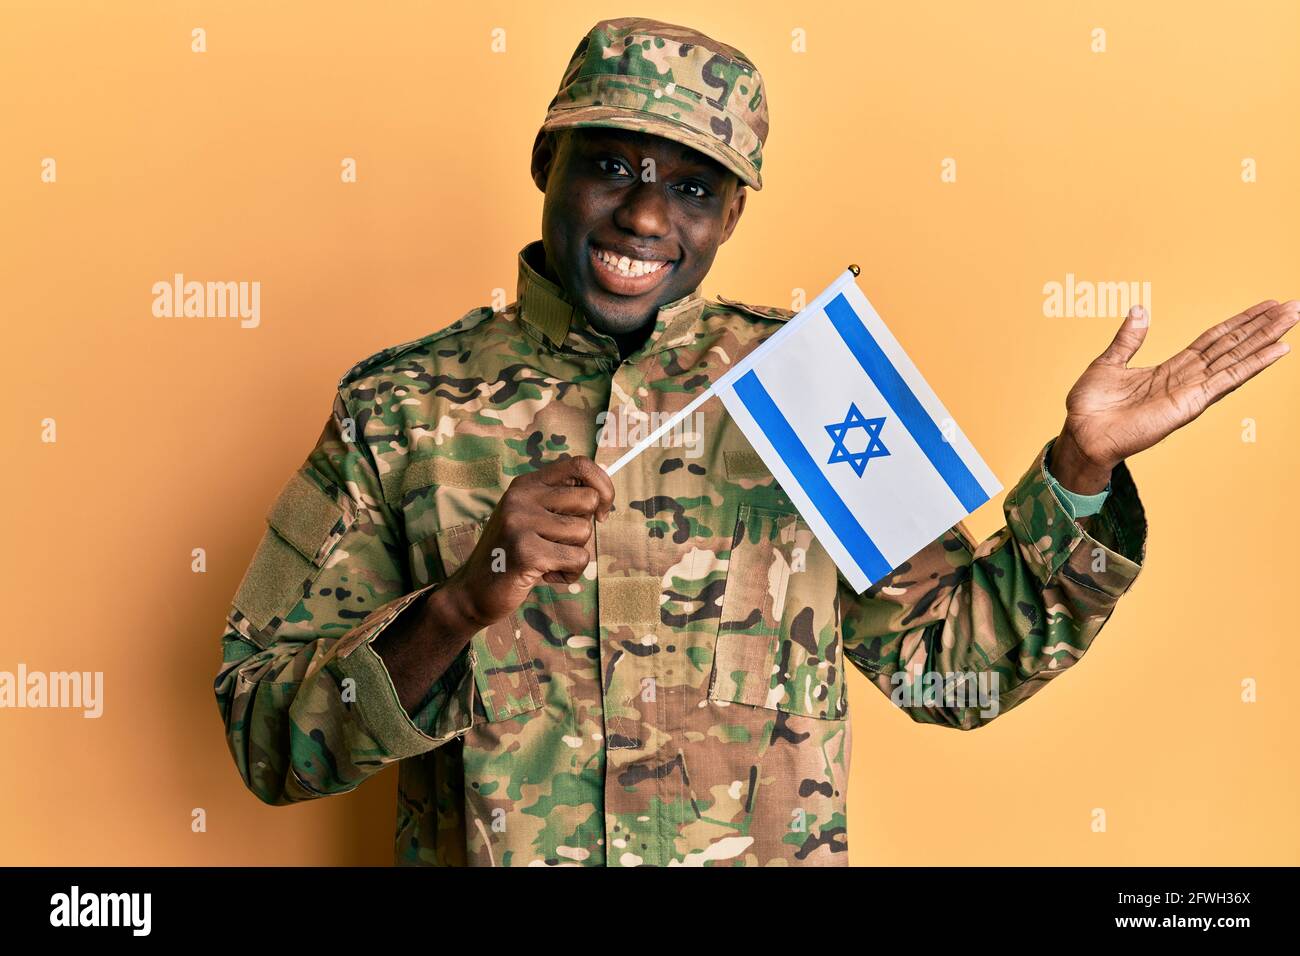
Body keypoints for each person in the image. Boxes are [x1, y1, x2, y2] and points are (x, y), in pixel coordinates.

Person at [213, 17, 1296, 866]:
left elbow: (955, 666)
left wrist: (1081, 469)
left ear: (732, 214)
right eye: (611, 165)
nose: (645, 217)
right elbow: (269, 736)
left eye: (691, 187)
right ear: (547, 163)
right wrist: (457, 602)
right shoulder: (401, 408)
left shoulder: (809, 388)